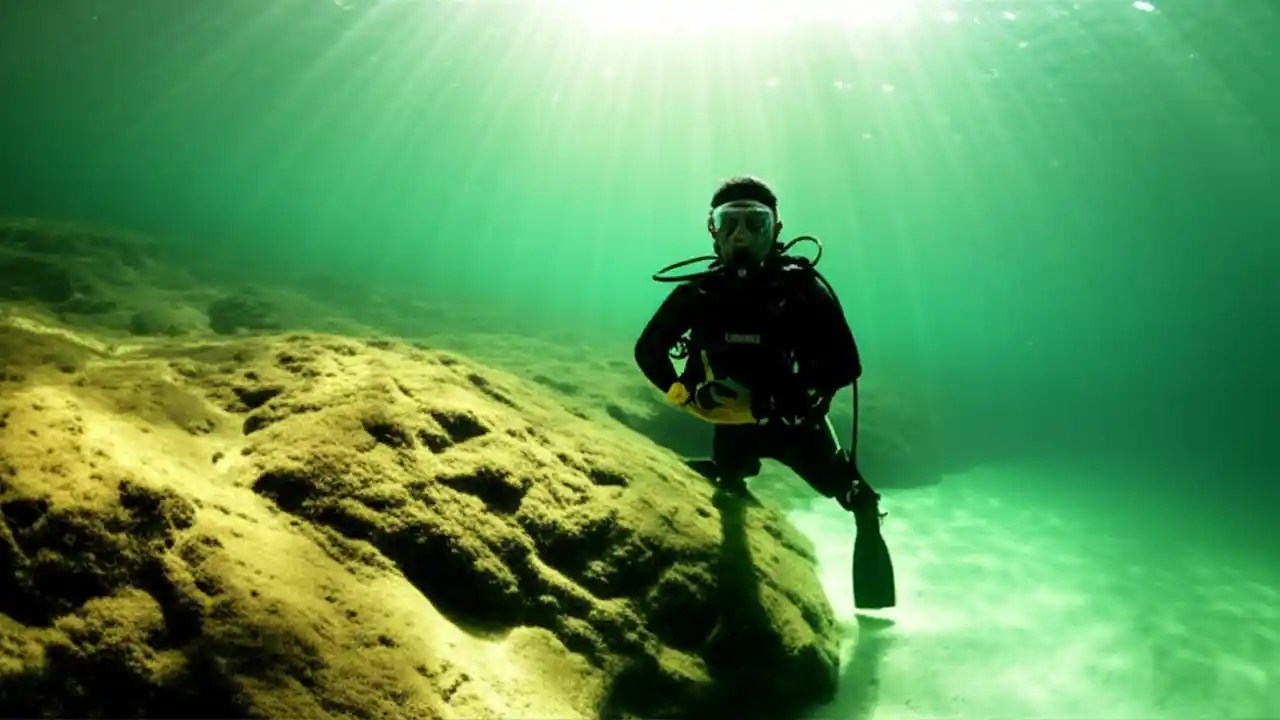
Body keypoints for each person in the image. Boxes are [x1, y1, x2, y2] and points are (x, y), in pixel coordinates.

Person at [634, 175, 895, 609]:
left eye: (755, 223)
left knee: (857, 500)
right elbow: (649, 350)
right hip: (729, 425)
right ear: (712, 231)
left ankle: (869, 543)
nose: (741, 236)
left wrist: (760, 405)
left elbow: (845, 366)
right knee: (729, 480)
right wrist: (683, 397)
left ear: (776, 230)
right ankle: (733, 497)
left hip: (795, 423)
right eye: (729, 222)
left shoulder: (802, 291)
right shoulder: (698, 294)